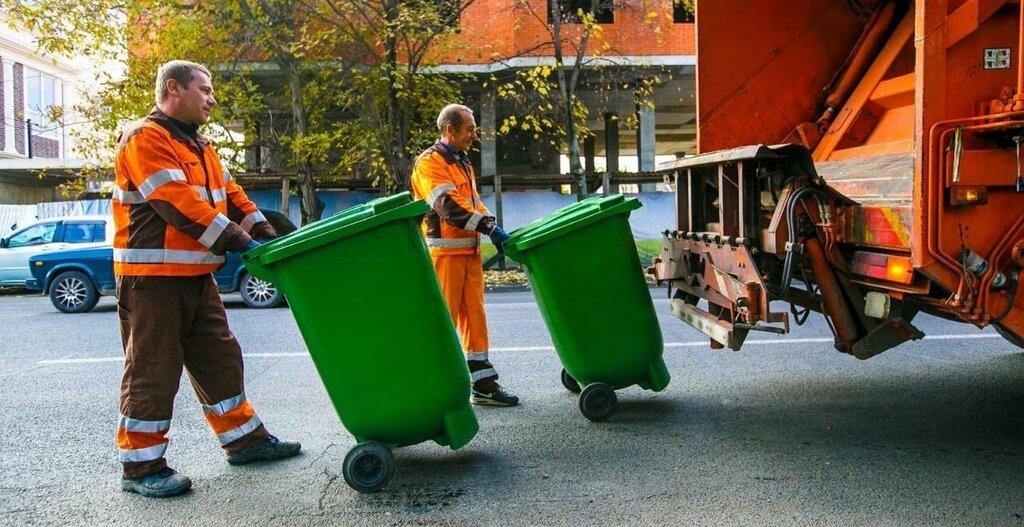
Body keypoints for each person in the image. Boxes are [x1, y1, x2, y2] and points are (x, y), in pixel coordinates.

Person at [112, 60, 300, 498]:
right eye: (205, 89)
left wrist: (264, 232)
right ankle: (141, 467)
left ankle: (245, 440)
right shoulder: (145, 138)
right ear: (173, 88)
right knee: (153, 370)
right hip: (152, 280)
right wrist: (239, 240)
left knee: (220, 358)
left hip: (197, 276)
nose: (212, 99)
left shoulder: (200, 146)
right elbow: (177, 203)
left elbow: (232, 198)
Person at [410, 103, 519, 407]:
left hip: (468, 253)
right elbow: (447, 207)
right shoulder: (430, 163)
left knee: (475, 319)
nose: (474, 134)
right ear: (450, 129)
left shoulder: (462, 162)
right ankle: (430, 388)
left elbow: (473, 204)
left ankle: (483, 385)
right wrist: (488, 227)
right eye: (469, 129)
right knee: (443, 323)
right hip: (444, 256)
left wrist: (492, 225)